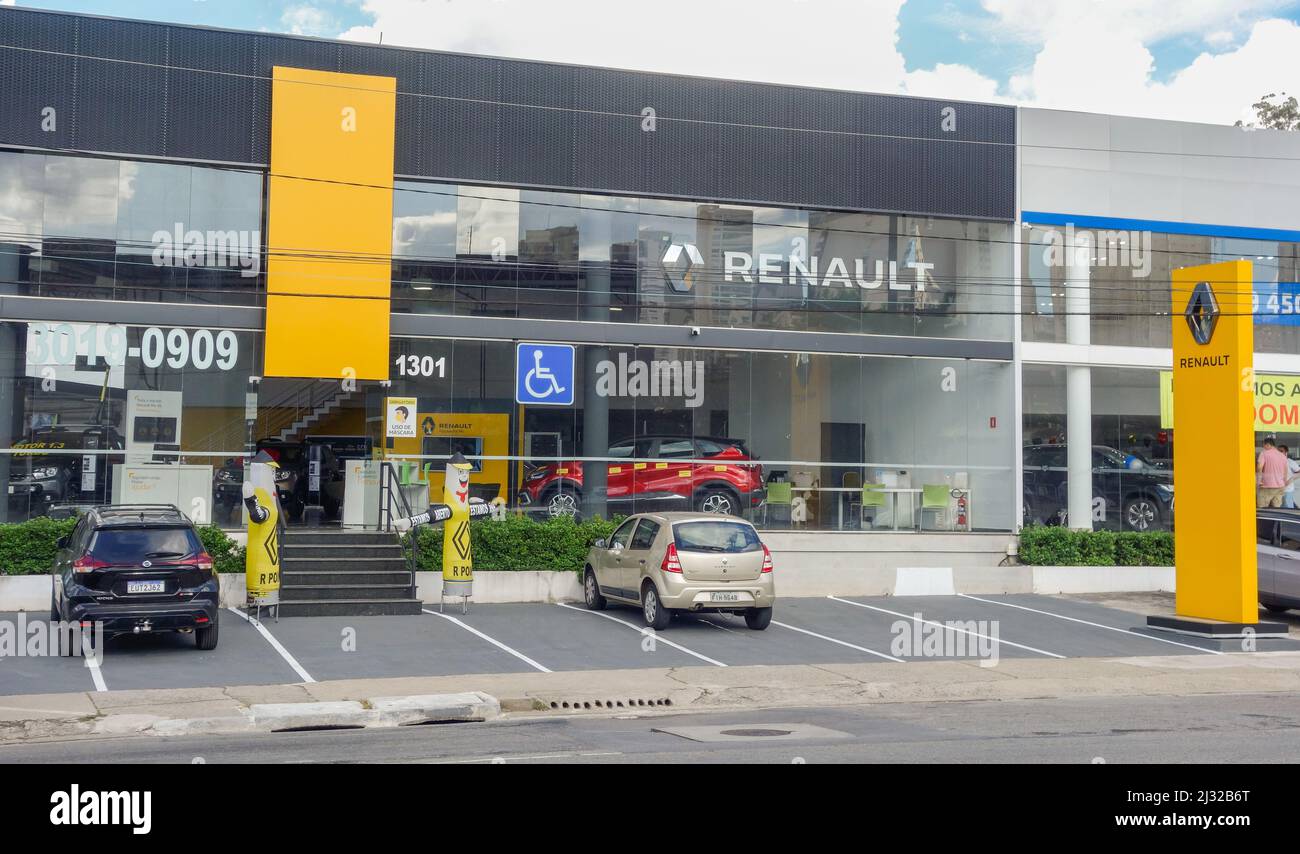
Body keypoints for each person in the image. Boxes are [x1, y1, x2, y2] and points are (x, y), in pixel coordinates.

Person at [1258, 437, 1289, 508]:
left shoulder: (1264, 453)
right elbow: (1285, 471)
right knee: (1276, 508)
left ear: (1267, 444)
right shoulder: (1283, 456)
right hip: (1280, 487)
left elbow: (1259, 467)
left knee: (1263, 508)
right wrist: (1284, 483)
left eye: (1264, 446)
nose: (1263, 448)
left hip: (1267, 486)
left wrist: (1259, 481)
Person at [1282, 444, 1300, 509]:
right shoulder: (1276, 461)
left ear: (1286, 452)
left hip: (1287, 489)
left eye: (1281, 451)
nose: (1279, 453)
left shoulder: (1290, 462)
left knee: (1288, 508)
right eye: (1278, 451)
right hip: (1277, 489)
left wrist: (1291, 480)